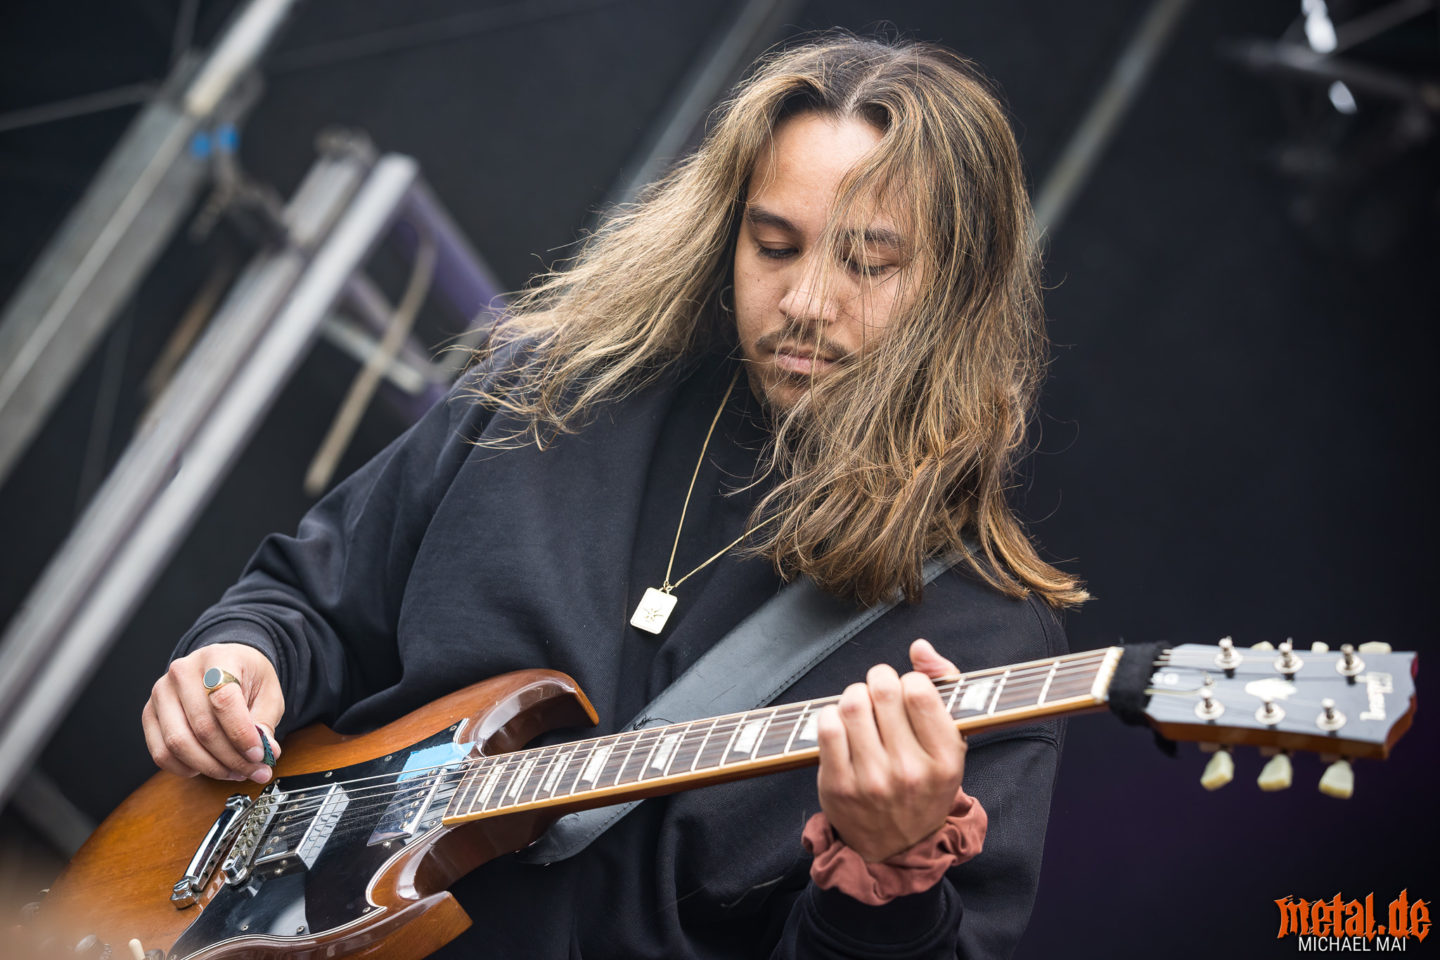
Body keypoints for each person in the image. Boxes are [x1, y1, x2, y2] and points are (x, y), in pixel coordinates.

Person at [142, 32, 1087, 959]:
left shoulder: (982, 646)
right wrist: (239, 657)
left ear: (959, 289)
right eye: (773, 245)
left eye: (866, 264)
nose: (804, 301)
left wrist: (887, 879)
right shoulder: (554, 391)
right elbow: (313, 598)